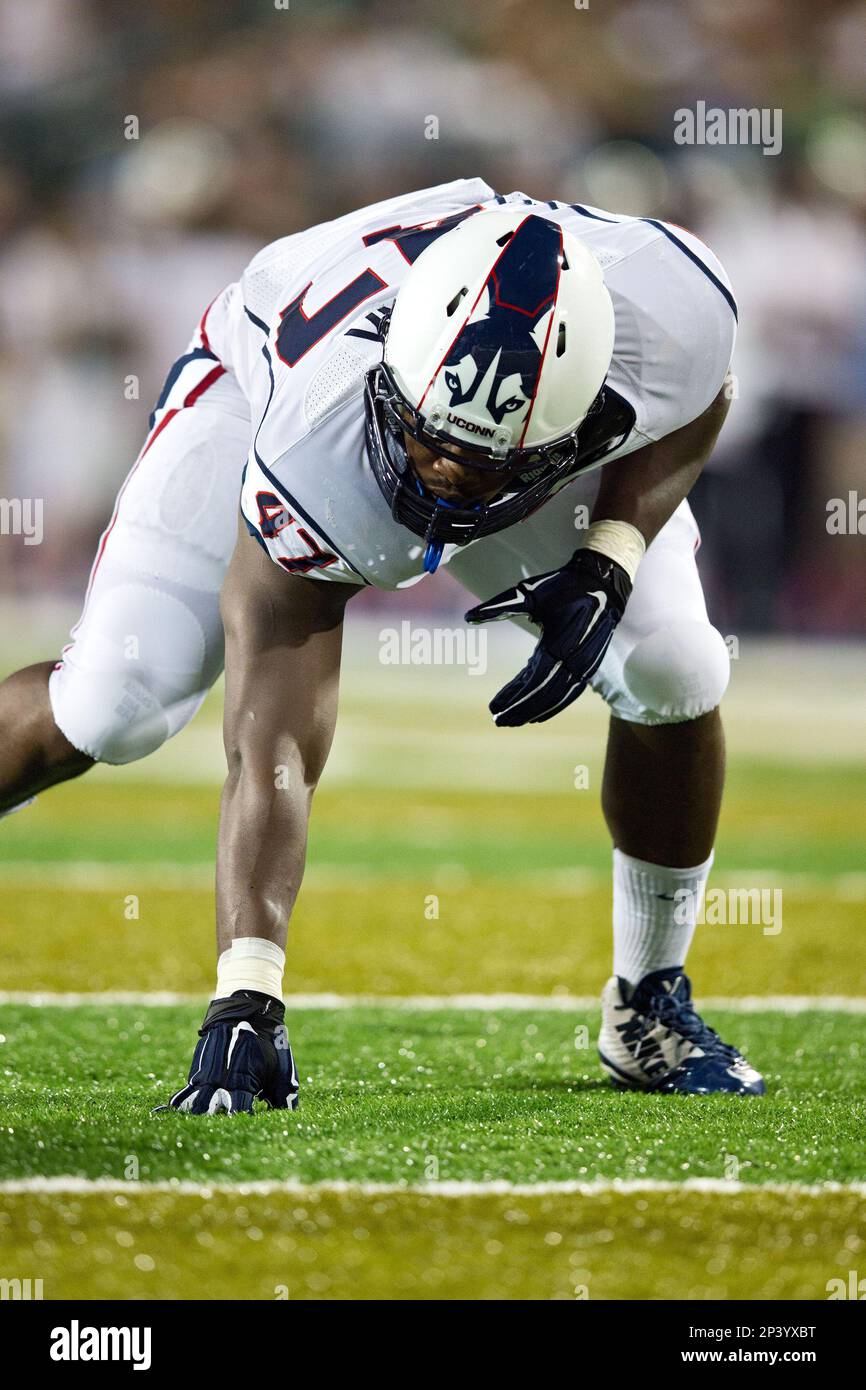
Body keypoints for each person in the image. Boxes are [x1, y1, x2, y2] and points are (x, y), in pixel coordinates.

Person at [0, 178, 764, 1111]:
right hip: (257, 391)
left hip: (521, 443)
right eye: (433, 443)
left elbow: (699, 393)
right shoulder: (318, 431)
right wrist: (249, 992)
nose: (443, 479)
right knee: (117, 700)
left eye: (477, 464)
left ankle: (649, 1003)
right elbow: (272, 732)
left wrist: (612, 554)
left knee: (676, 666)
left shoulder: (671, 307)